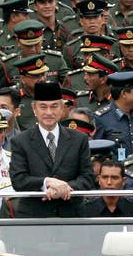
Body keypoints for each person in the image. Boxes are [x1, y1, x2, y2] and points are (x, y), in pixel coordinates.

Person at [9, 81, 97, 216]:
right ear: (34, 108)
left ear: (62, 108)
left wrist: (63, 188)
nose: (49, 112)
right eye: (43, 107)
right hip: (34, 217)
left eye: (54, 106)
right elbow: (18, 180)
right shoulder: (21, 141)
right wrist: (46, 182)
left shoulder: (79, 139)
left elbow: (88, 177)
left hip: (71, 215)